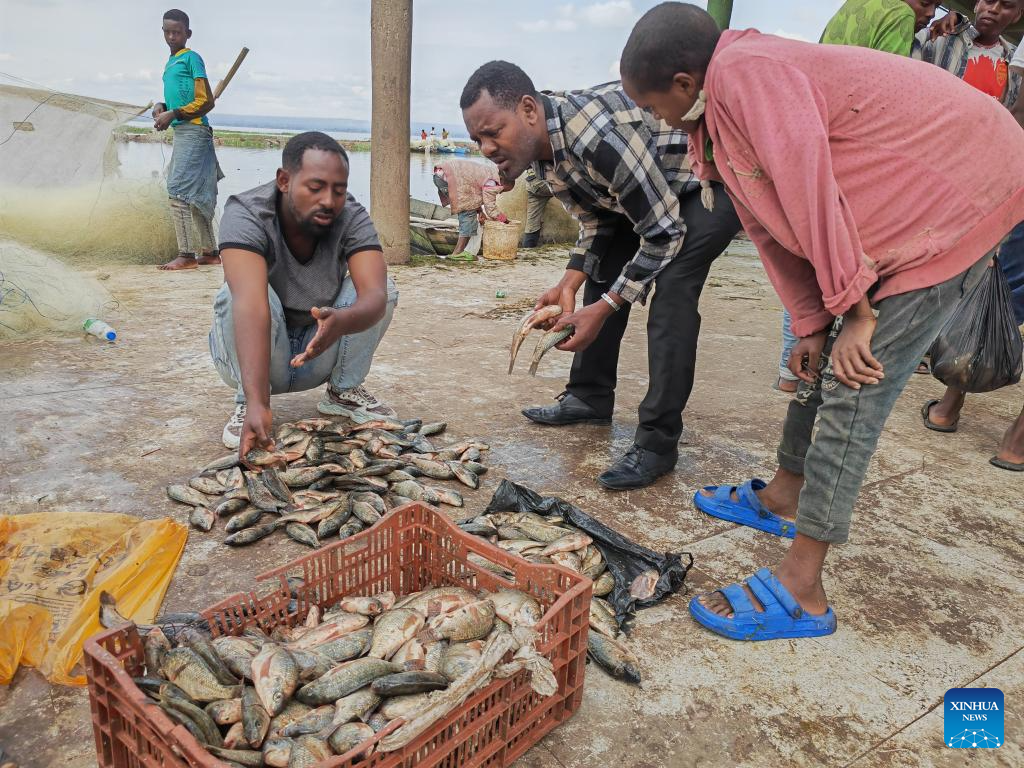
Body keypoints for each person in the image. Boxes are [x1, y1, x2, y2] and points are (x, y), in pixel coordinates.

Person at [620, 3, 1024, 639]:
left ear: (683, 84)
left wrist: (857, 310)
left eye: (648, 104)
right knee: (817, 357)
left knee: (853, 387)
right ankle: (786, 490)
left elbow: (810, 188)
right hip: (905, 201)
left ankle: (802, 586)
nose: (650, 118)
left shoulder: (749, 74)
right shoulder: (717, 117)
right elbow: (769, 220)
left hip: (961, 190)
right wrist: (813, 318)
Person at [461, 61, 741, 490]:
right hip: (654, 198)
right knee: (601, 270)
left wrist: (607, 307)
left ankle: (656, 444)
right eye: (477, 138)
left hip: (707, 185)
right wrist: (568, 283)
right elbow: (598, 222)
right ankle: (589, 397)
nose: (485, 148)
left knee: (671, 292)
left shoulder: (595, 137)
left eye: (493, 132)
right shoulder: (541, 154)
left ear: (528, 109)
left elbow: (664, 234)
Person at [775, 0, 943, 391]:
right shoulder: (899, 14)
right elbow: (884, 89)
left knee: (810, 258)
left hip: (821, 137)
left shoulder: (855, 5)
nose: (930, 12)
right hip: (855, 147)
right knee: (848, 257)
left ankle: (790, 371)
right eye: (927, 2)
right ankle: (834, 355)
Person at [209, 132, 398, 454]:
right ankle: (248, 399)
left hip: (319, 347)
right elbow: (250, 306)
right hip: (262, 353)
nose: (329, 200)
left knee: (386, 288)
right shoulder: (246, 213)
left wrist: (345, 319)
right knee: (236, 293)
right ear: (284, 180)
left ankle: (343, 392)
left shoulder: (350, 215)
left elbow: (375, 295)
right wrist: (258, 401)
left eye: (339, 190)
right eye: (316, 187)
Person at [913, 0, 1024, 470]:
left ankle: (948, 406)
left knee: (996, 289)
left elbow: (1020, 113)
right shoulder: (946, 41)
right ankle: (1017, 444)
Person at [153, 8, 223, 271]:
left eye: (177, 32)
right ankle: (210, 252)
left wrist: (174, 113)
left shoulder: (192, 58)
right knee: (195, 194)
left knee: (177, 191)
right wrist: (161, 106)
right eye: (167, 32)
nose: (172, 36)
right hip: (184, 131)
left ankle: (186, 255)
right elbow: (178, 96)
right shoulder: (171, 63)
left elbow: (206, 101)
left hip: (194, 130)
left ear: (187, 33)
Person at [432, 159, 509, 261]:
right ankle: (457, 253)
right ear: (502, 179)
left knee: (468, 210)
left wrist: (480, 211)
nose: (500, 192)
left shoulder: (489, 172)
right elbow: (490, 208)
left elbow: (473, 194)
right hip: (449, 177)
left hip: (443, 174)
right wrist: (504, 220)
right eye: (502, 190)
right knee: (468, 215)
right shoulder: (493, 182)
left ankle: (461, 252)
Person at [520, 167, 554, 249]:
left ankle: (528, 251)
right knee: (575, 186)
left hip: (531, 182)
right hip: (543, 179)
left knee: (532, 223)